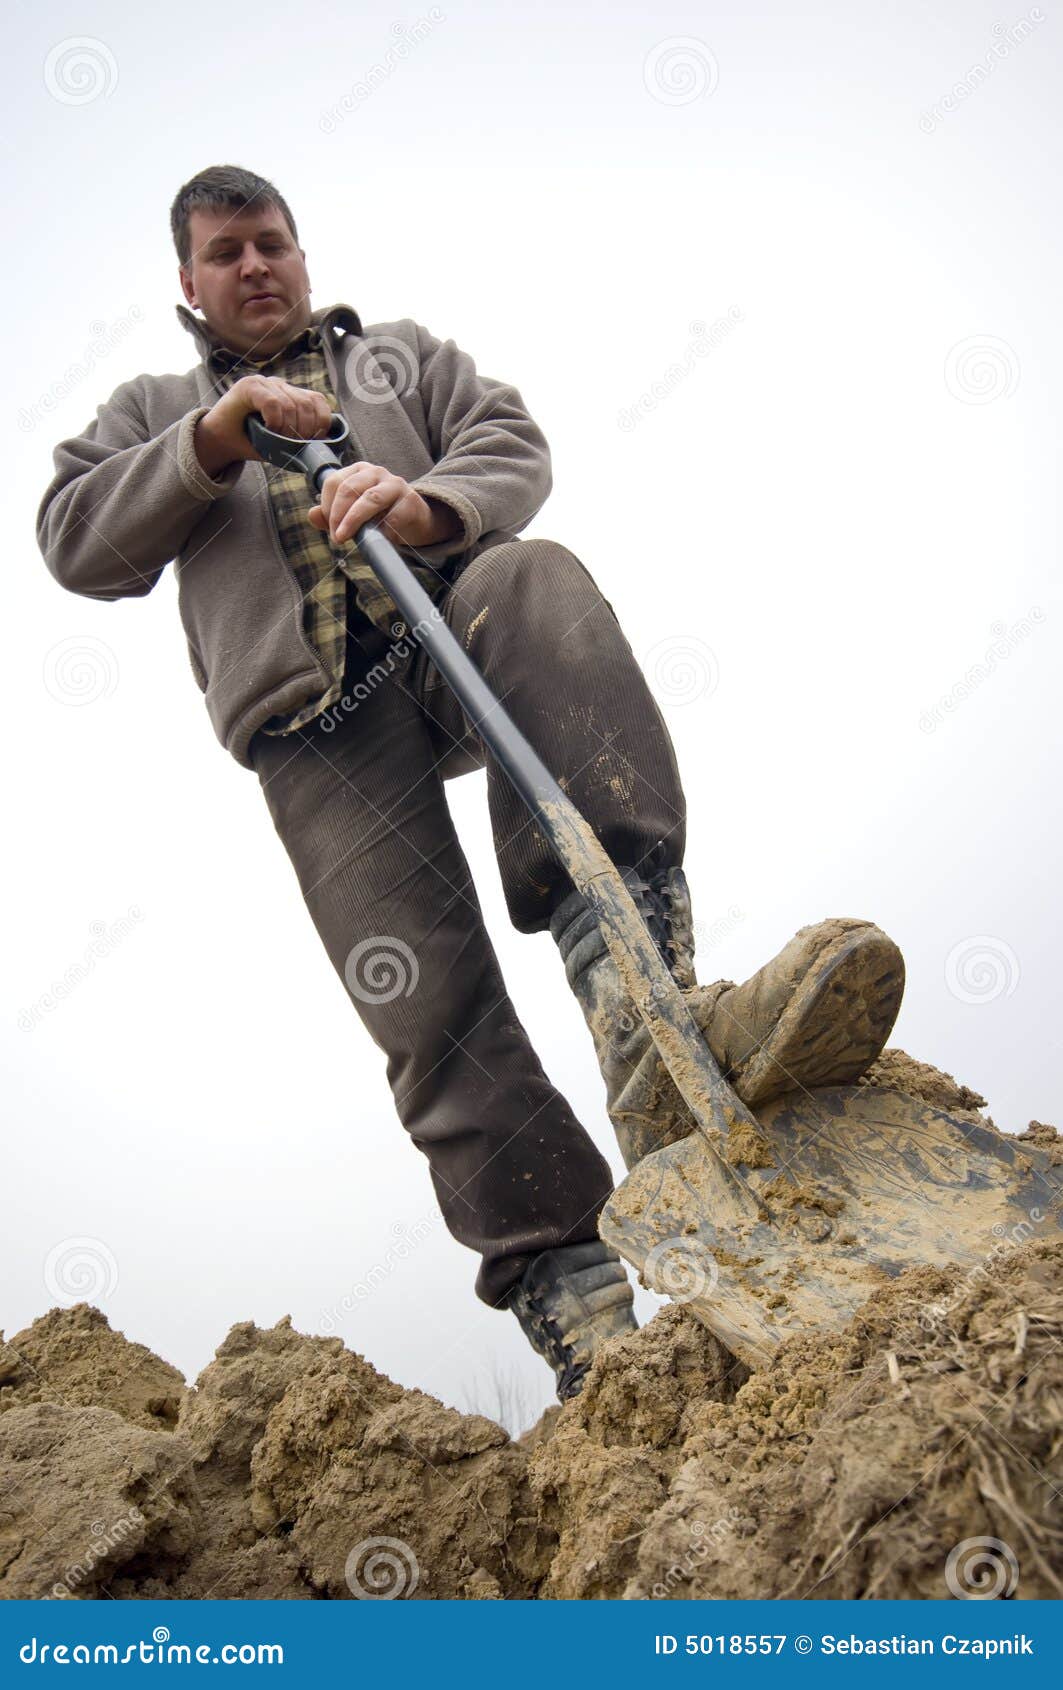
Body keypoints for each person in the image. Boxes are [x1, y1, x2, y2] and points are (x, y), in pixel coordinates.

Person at [36, 164, 905, 1402]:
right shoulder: (153, 407)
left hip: (453, 630)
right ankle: (578, 1296)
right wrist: (209, 442)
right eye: (225, 253)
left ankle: (639, 999)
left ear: (302, 252)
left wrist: (430, 504)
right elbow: (76, 537)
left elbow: (509, 443)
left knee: (535, 576)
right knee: (425, 999)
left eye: (271, 242)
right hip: (313, 728)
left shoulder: (398, 361)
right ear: (189, 282)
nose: (255, 267)